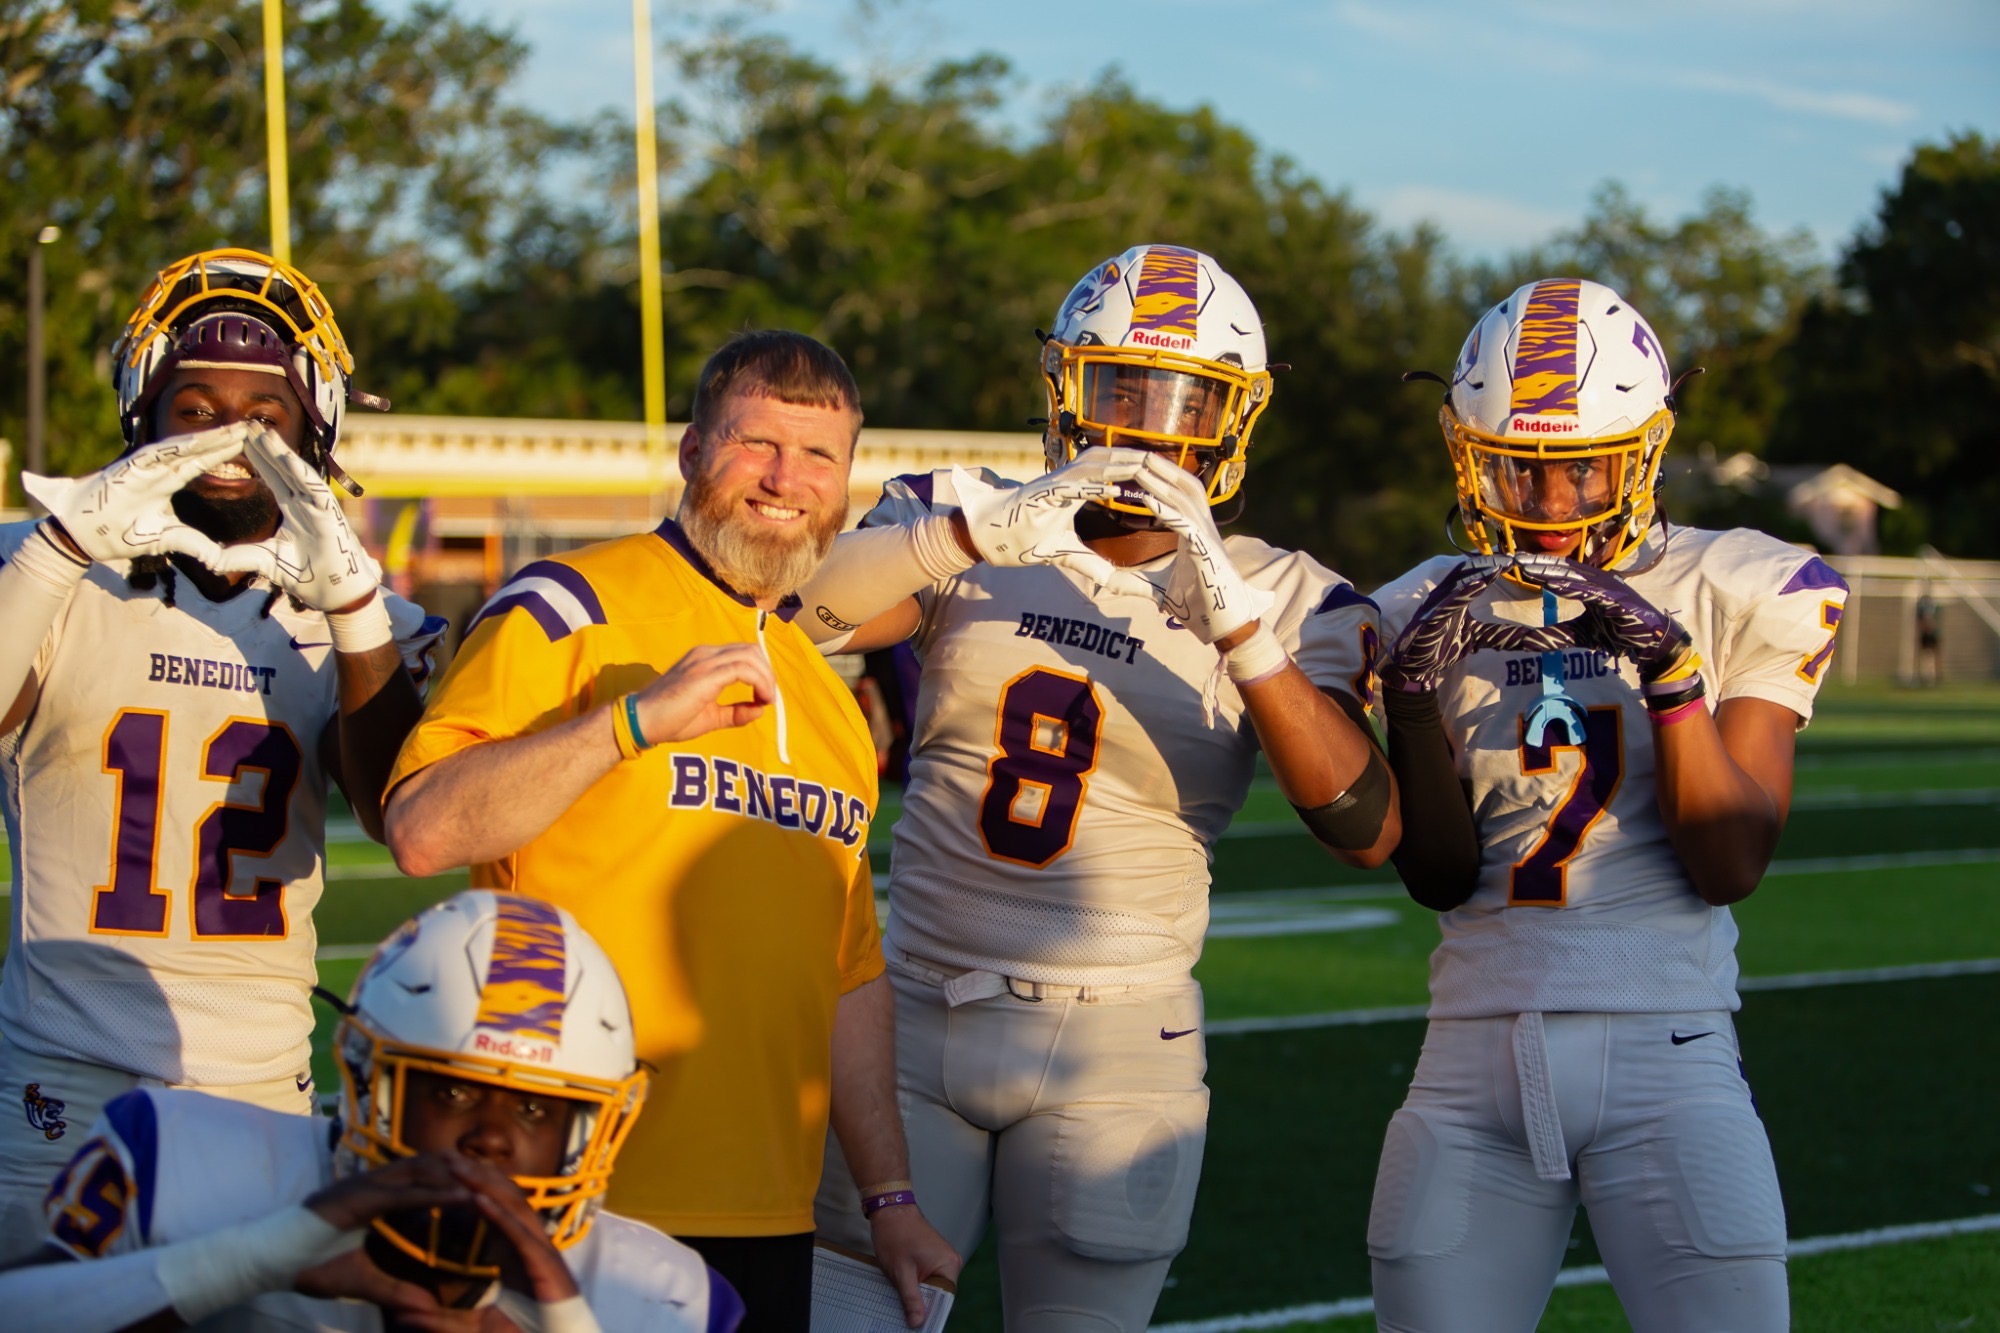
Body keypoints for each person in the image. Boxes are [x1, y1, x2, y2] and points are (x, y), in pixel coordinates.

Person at [793, 244, 1398, 1331]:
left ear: (1234, 418)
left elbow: (1363, 827)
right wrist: (968, 534)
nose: (1147, 424)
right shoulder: (962, 511)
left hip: (1119, 1042)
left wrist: (1244, 638)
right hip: (916, 1008)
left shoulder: (1289, 593)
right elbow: (802, 623)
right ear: (1065, 388)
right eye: (1119, 384)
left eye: (1185, 398)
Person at [381, 331, 959, 1331]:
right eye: (756, 443)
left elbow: (849, 980)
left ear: (846, 482)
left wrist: (889, 1198)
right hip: (565, 1194)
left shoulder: (824, 696)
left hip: (769, 1212)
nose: (786, 479)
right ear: (692, 450)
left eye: (818, 455)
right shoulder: (569, 606)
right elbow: (423, 828)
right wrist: (631, 724)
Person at [1366, 277, 1850, 1332]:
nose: (1547, 503)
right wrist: (1407, 704)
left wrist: (1673, 682)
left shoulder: (1737, 582)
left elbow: (1730, 863)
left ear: (1642, 447)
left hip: (1666, 1057)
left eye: (1578, 465)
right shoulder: (1416, 604)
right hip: (1465, 1058)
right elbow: (1438, 876)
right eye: (1516, 468)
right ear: (1465, 451)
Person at [0, 249, 443, 1258]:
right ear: (143, 419)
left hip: (257, 1083)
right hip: (54, 1086)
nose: (230, 435)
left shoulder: (376, 620)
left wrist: (356, 607)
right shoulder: (43, 572)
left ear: (315, 425)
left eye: (265, 412)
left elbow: (393, 810)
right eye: (194, 406)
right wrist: (61, 549)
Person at [0, 888, 742, 1331]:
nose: (489, 1136)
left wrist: (565, 1318)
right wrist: (253, 1258)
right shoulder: (184, 1157)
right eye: (451, 1089)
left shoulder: (664, 1292)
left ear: (595, 1127)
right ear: (367, 1079)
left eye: (536, 1110)